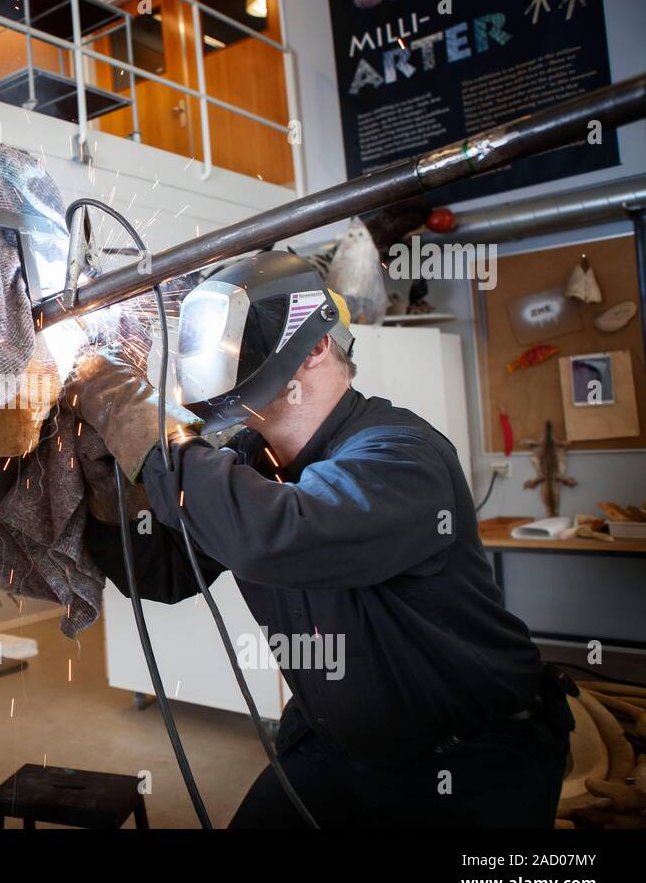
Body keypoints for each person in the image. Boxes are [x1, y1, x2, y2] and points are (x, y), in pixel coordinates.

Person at [69, 250, 572, 828]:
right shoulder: (247, 462)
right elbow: (165, 574)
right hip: (337, 740)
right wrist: (110, 488)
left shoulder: (401, 457)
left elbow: (271, 532)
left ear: (315, 346)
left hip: (471, 755)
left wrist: (139, 419)